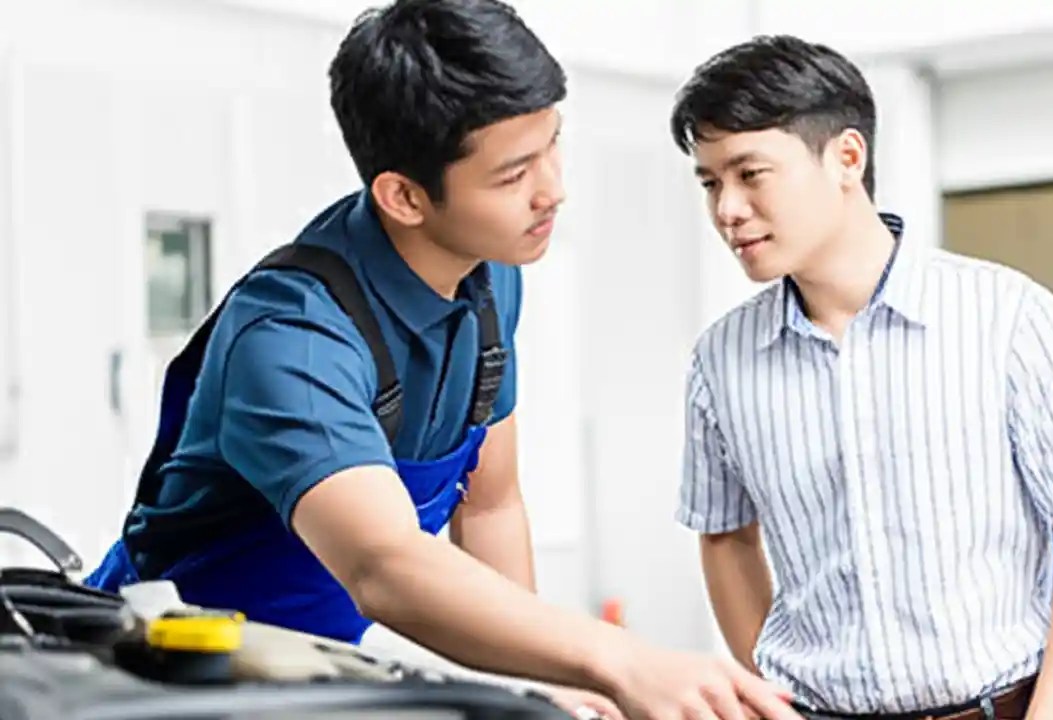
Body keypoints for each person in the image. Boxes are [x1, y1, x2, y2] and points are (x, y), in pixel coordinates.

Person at [82, 4, 803, 720]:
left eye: (554, 146)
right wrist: (616, 658)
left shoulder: (491, 275)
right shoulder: (293, 339)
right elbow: (384, 566)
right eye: (514, 172)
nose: (554, 189)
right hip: (164, 682)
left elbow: (490, 502)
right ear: (403, 196)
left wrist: (538, 680)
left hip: (308, 672)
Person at [668, 35, 1053, 720]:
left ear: (847, 158)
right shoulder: (721, 360)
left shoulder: (1007, 316)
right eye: (711, 182)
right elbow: (726, 537)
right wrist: (777, 703)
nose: (727, 210)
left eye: (750, 174)